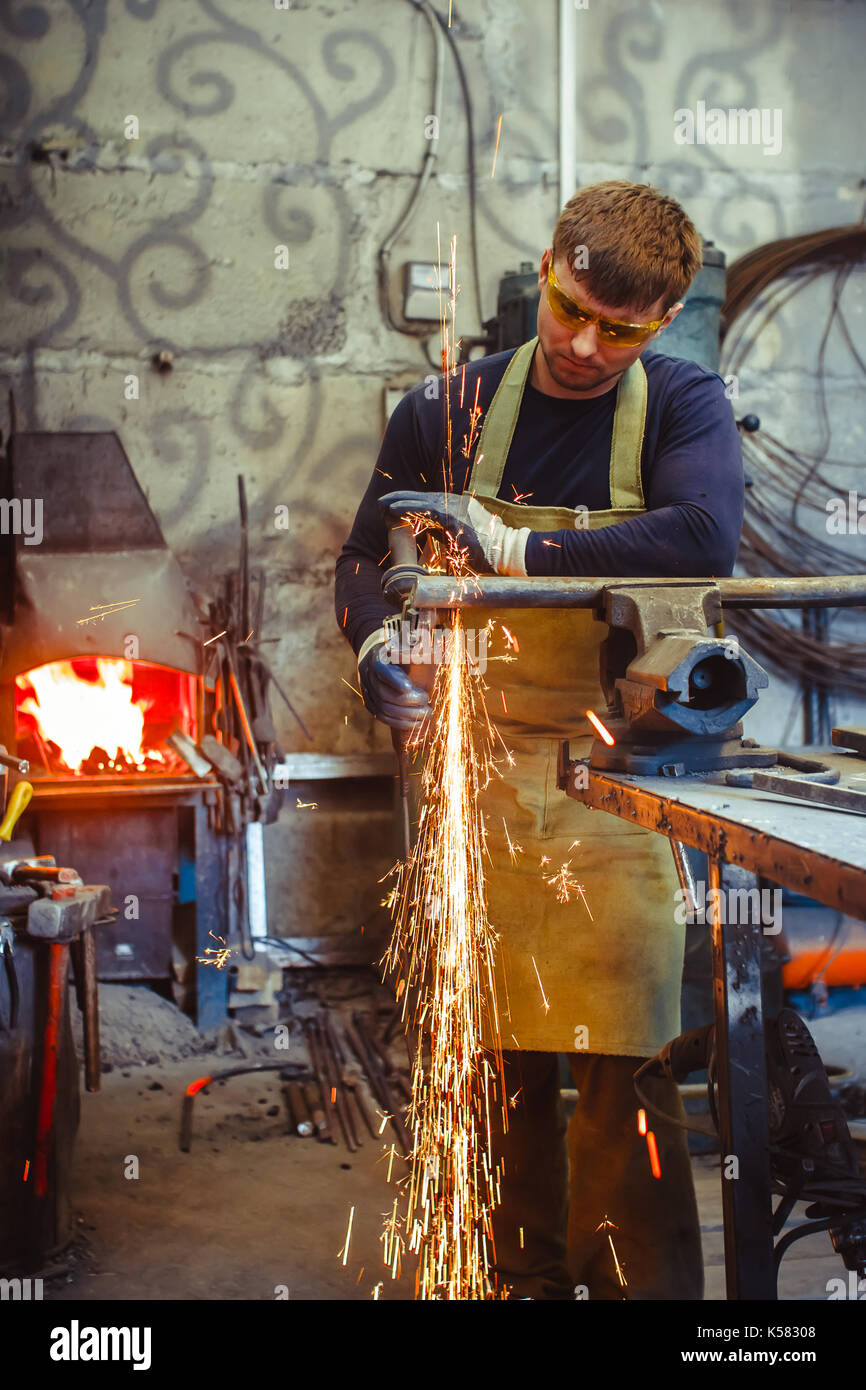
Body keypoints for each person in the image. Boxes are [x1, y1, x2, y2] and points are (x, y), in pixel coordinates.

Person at [335, 180, 743, 1300]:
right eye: (568, 307)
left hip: (618, 777)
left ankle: (636, 1296)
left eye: (622, 329)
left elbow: (704, 535)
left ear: (658, 322)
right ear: (550, 264)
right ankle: (511, 1277)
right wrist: (374, 648)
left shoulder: (681, 405)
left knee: (625, 1066)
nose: (580, 343)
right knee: (489, 1061)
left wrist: (512, 553)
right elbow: (365, 558)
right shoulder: (444, 408)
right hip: (482, 776)